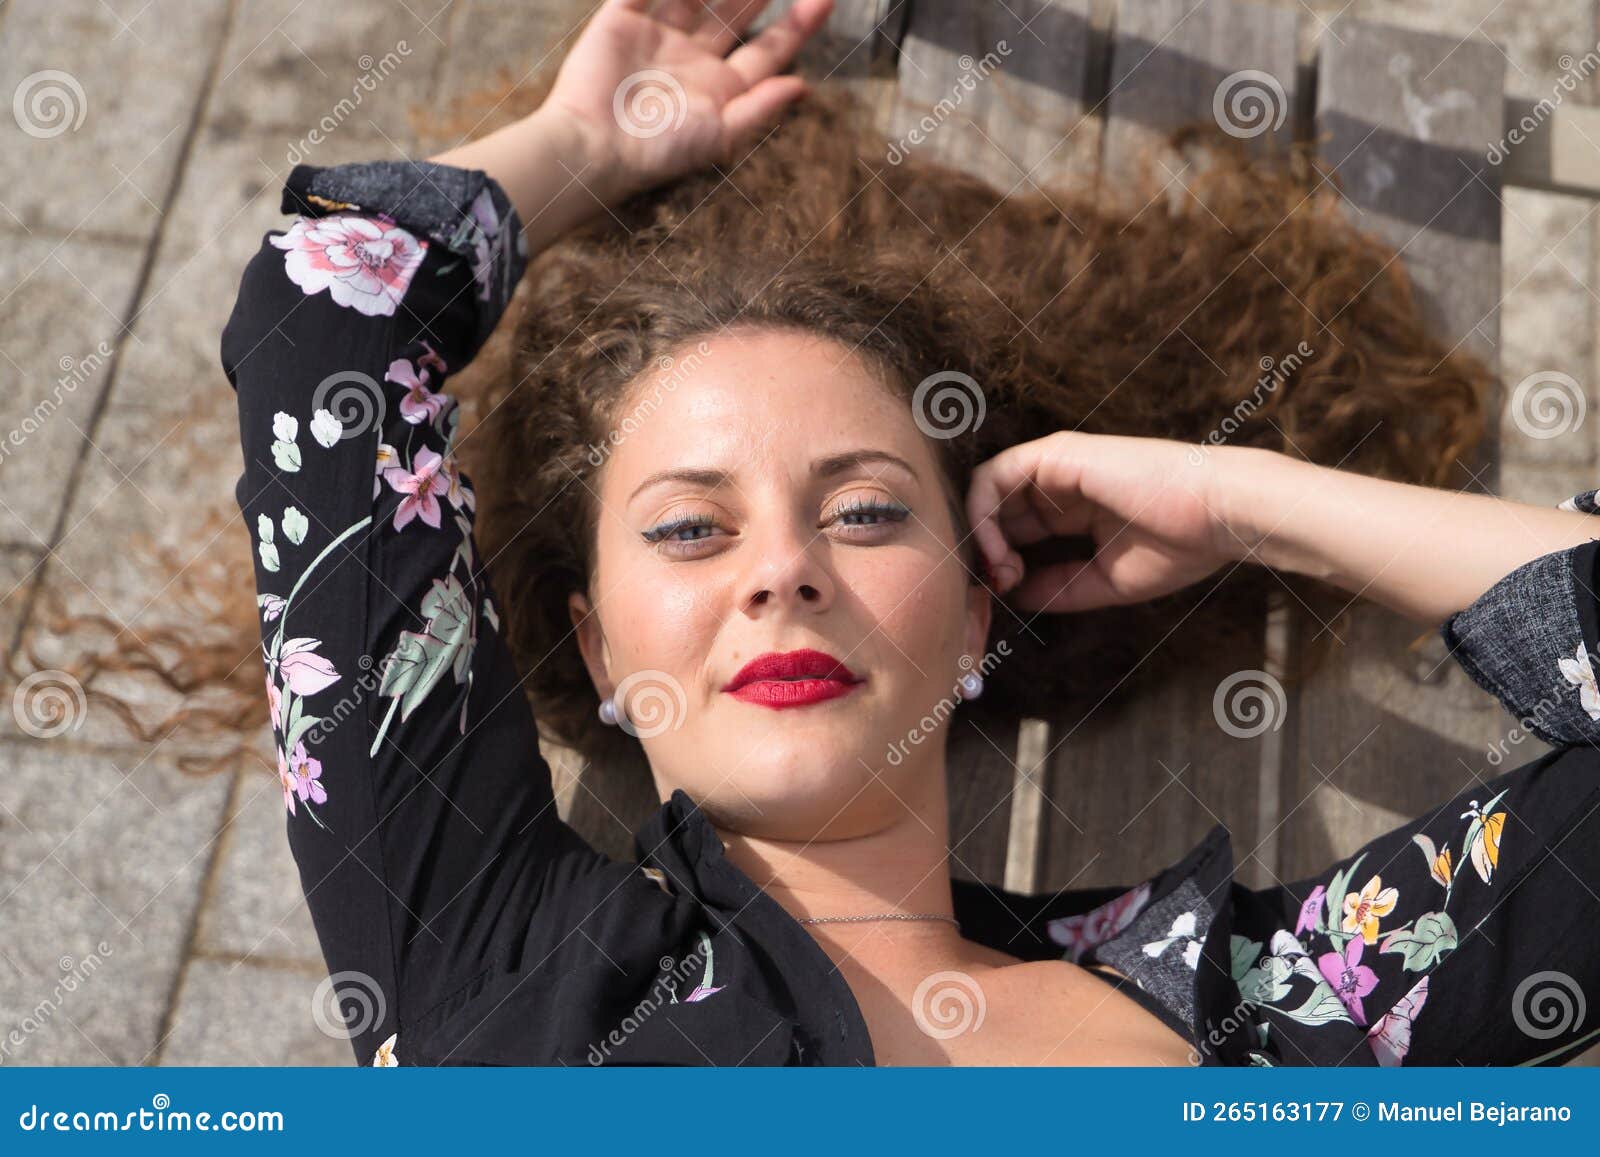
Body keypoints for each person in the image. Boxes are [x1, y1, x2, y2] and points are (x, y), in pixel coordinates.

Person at [222, 0, 1600, 1066]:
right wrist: (583, 147)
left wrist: (1247, 499)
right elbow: (321, 321)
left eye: (866, 511)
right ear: (595, 643)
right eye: (692, 530)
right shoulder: (489, 957)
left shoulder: (1274, 1004)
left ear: (977, 613)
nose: (784, 570)